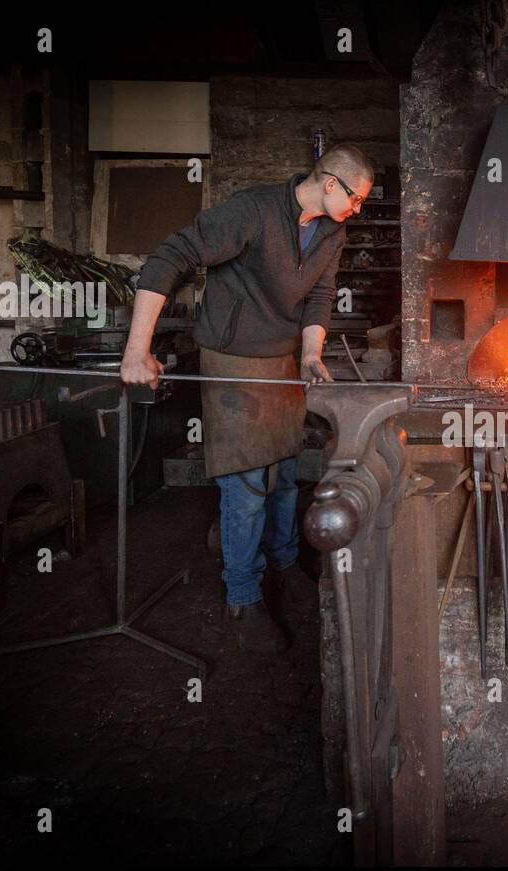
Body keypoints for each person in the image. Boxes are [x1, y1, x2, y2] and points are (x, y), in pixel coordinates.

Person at [121, 144, 375, 654]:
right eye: (357, 198)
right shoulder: (252, 210)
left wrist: (309, 355)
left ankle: (283, 563)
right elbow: (172, 255)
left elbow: (321, 295)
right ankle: (243, 592)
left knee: (282, 471)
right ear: (330, 184)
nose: (358, 209)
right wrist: (137, 350)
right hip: (233, 357)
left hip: (283, 360)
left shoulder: (333, 230)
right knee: (245, 482)